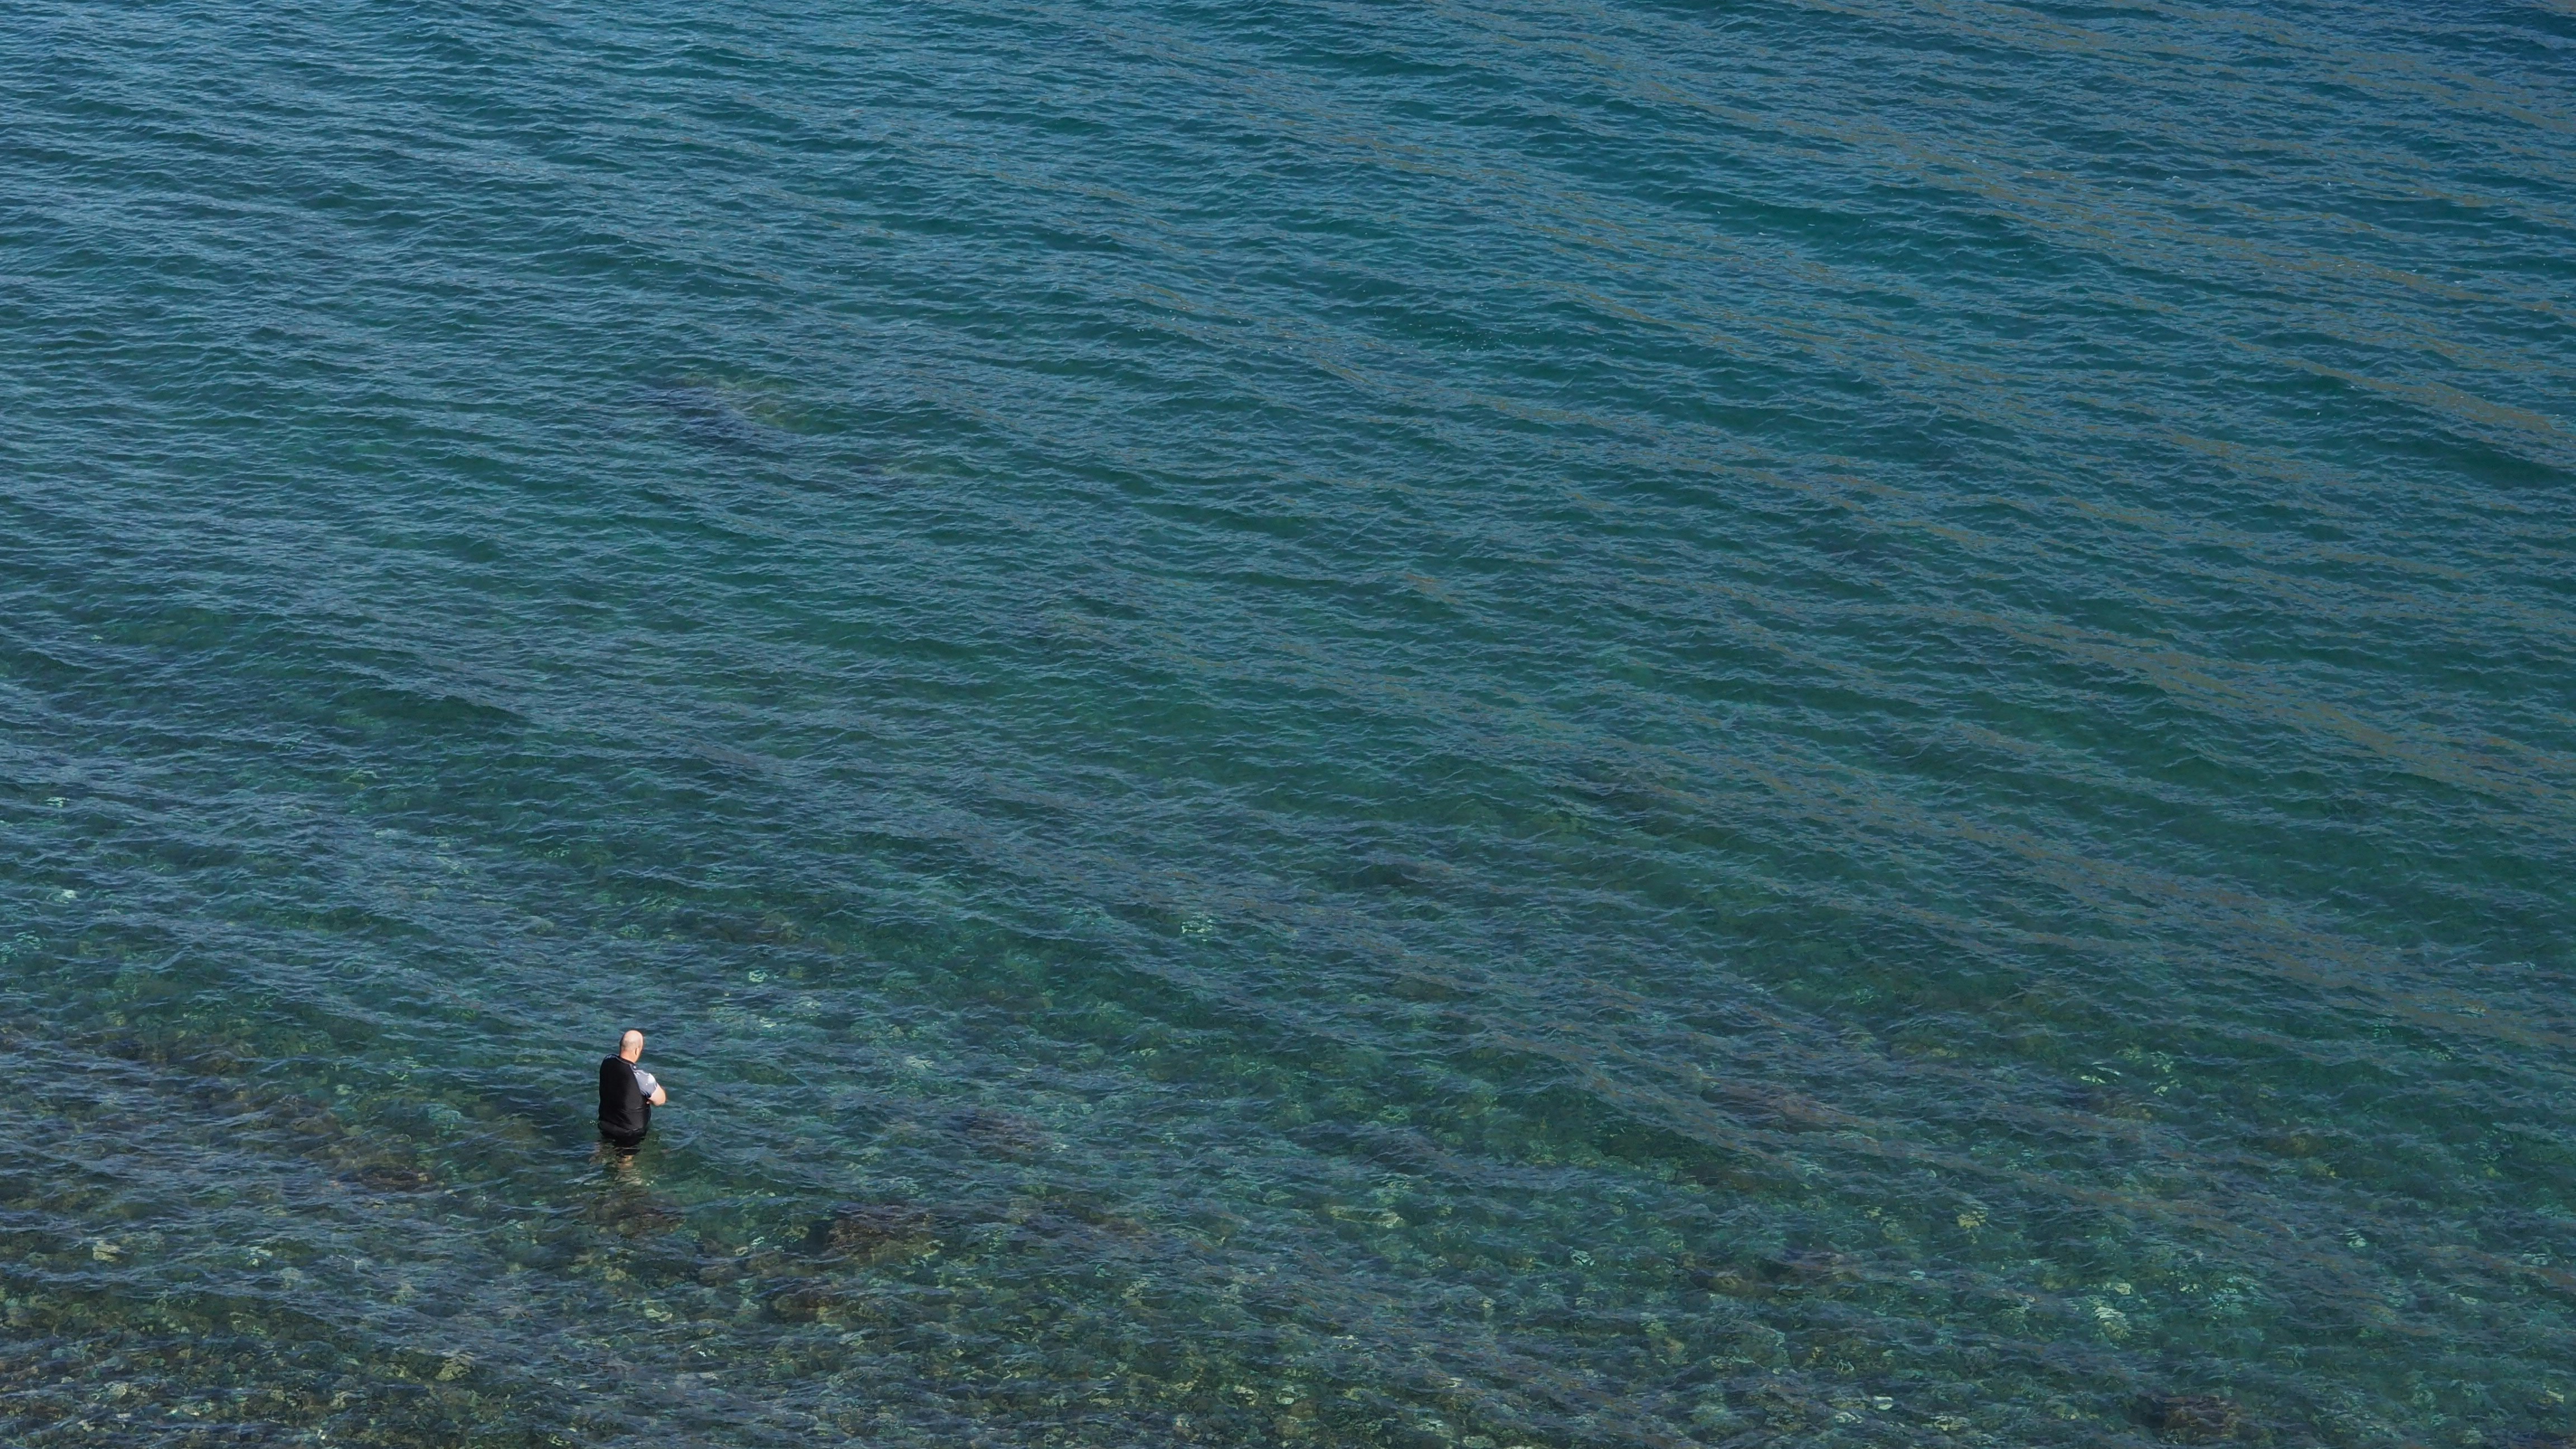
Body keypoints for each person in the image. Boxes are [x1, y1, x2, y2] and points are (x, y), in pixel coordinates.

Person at [598, 1029, 667, 1152]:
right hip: (630, 1133)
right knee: (625, 1167)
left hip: (606, 1123)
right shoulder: (641, 1077)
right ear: (637, 1050)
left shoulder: (607, 1061)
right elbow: (661, 1100)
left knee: (601, 1153)